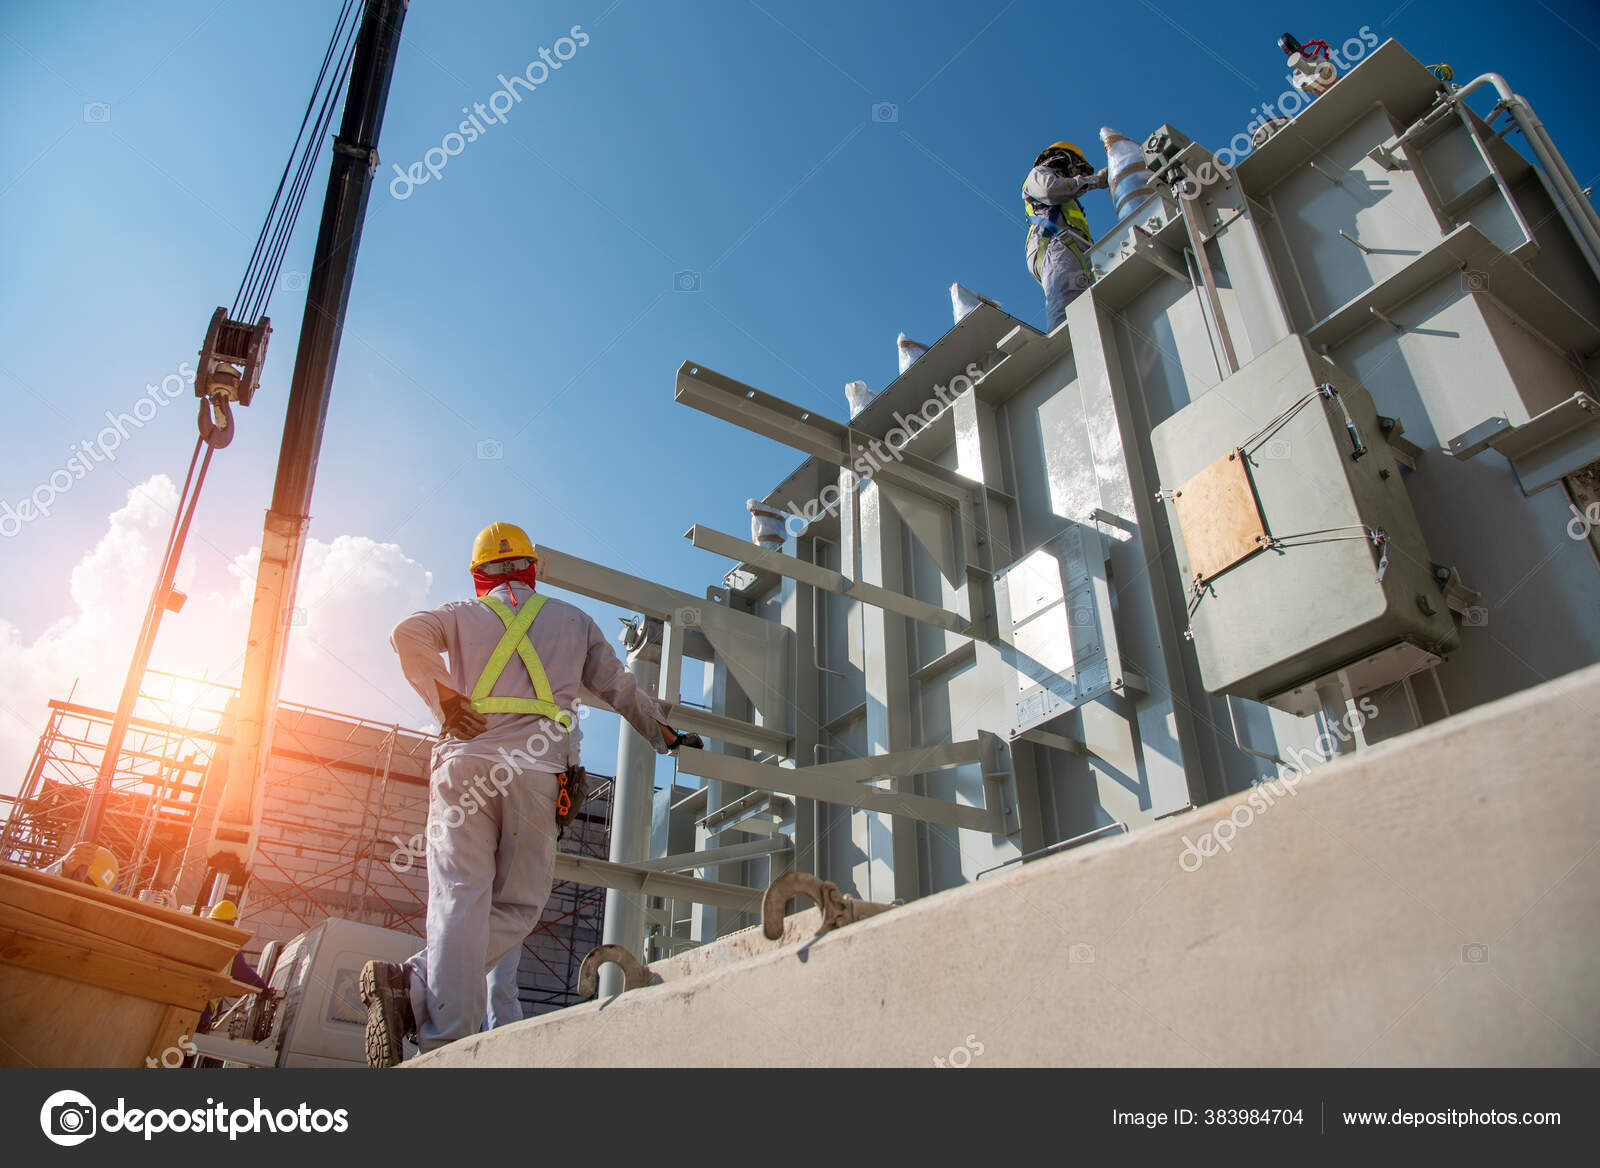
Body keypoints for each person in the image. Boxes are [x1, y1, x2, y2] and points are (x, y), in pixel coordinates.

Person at [360, 521, 701, 1065]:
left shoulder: (458, 614)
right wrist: (666, 736)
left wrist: (445, 698)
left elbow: (406, 634)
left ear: (479, 575)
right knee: (517, 906)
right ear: (532, 571)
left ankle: (436, 1023)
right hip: (536, 772)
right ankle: (418, 986)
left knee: (459, 897)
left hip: (464, 765)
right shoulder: (573, 621)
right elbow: (620, 688)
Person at [1022, 141, 1108, 331]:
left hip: (1073, 250)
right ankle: (1065, 352)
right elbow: (1049, 190)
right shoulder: (1040, 173)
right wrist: (1094, 180)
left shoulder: (1071, 201)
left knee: (1090, 305)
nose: (1077, 174)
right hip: (1054, 244)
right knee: (1065, 302)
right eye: (1077, 168)